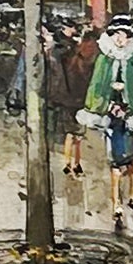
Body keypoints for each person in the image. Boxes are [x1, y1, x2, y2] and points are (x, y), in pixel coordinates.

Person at [79, 13, 133, 231]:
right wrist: (107, 105)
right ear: (111, 35)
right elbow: (96, 87)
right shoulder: (104, 59)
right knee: (117, 162)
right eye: (117, 34)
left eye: (124, 35)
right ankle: (117, 204)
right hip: (114, 119)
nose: (120, 39)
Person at [42, 21, 92, 176]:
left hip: (67, 95)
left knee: (73, 132)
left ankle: (70, 162)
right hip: (71, 95)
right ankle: (71, 162)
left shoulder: (63, 49)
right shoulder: (65, 50)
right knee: (74, 132)